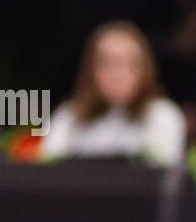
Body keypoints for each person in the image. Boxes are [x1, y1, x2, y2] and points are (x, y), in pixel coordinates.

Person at [41, 21, 186, 167]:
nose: (116, 74)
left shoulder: (162, 115)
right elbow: (49, 172)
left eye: (126, 63)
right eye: (106, 63)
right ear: (90, 70)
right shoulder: (69, 116)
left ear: (144, 69)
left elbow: (167, 179)